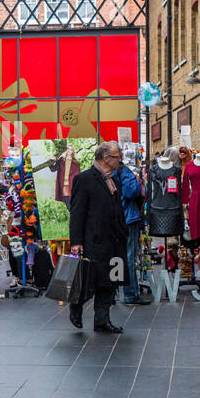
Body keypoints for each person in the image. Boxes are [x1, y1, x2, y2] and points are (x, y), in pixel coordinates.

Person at [67, 141, 128, 334]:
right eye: (117, 156)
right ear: (105, 158)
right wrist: (76, 241)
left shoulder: (114, 180)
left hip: (115, 239)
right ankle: (75, 307)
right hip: (95, 239)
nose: (120, 160)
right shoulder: (84, 179)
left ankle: (102, 319)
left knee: (111, 280)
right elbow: (77, 212)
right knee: (91, 280)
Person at [115, 158, 146, 304]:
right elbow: (132, 191)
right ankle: (130, 294)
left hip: (111, 219)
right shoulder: (123, 170)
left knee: (115, 256)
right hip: (128, 217)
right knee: (129, 257)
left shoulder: (101, 172)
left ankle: (114, 294)